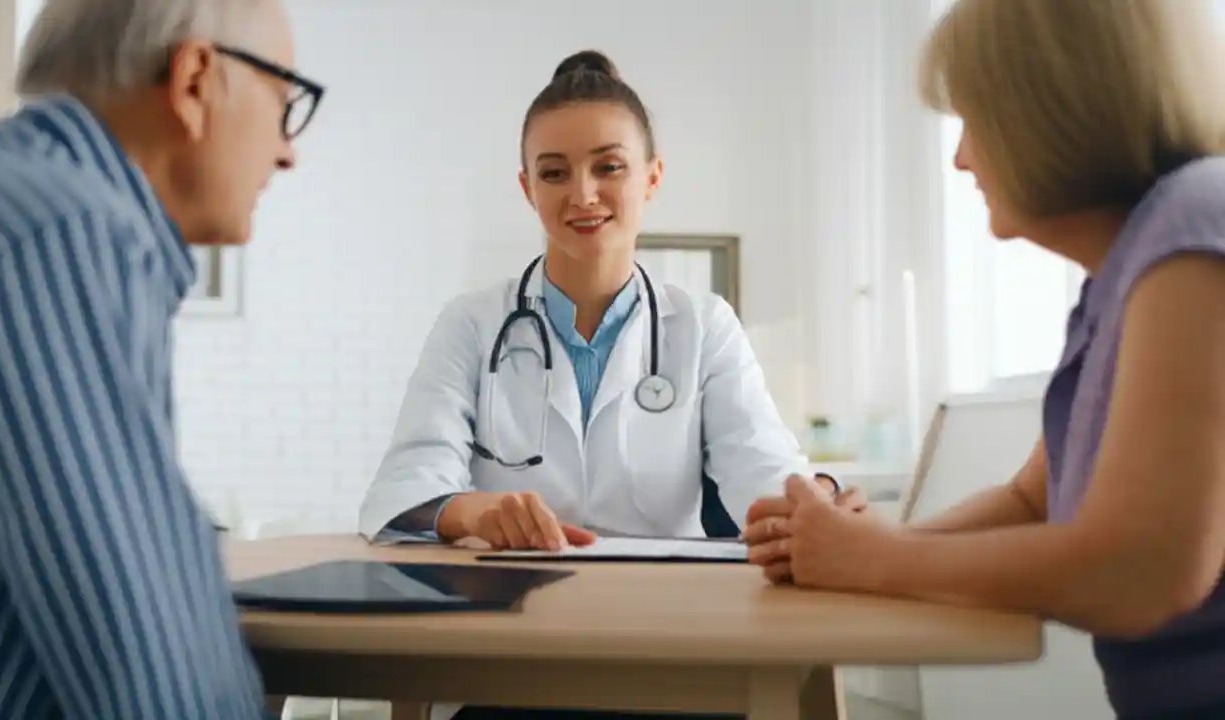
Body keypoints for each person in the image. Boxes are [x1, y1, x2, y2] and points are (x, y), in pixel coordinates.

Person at [744, 1, 1225, 718]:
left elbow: (1145, 571)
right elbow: (1032, 502)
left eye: (972, 119)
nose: (961, 157)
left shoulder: (1194, 223)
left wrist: (870, 559)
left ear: (1051, 108)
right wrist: (858, 541)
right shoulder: (1121, 277)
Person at [0, 0, 323, 716]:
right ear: (194, 80)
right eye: (284, 102)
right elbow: (149, 667)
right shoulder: (59, 232)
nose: (287, 150)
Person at [359, 50, 860, 553]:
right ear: (527, 188)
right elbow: (411, 479)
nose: (583, 194)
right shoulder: (471, 323)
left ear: (652, 177)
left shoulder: (703, 325)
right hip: (509, 600)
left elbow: (760, 465)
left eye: (610, 167)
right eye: (554, 173)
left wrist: (810, 500)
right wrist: (476, 510)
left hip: (659, 607)